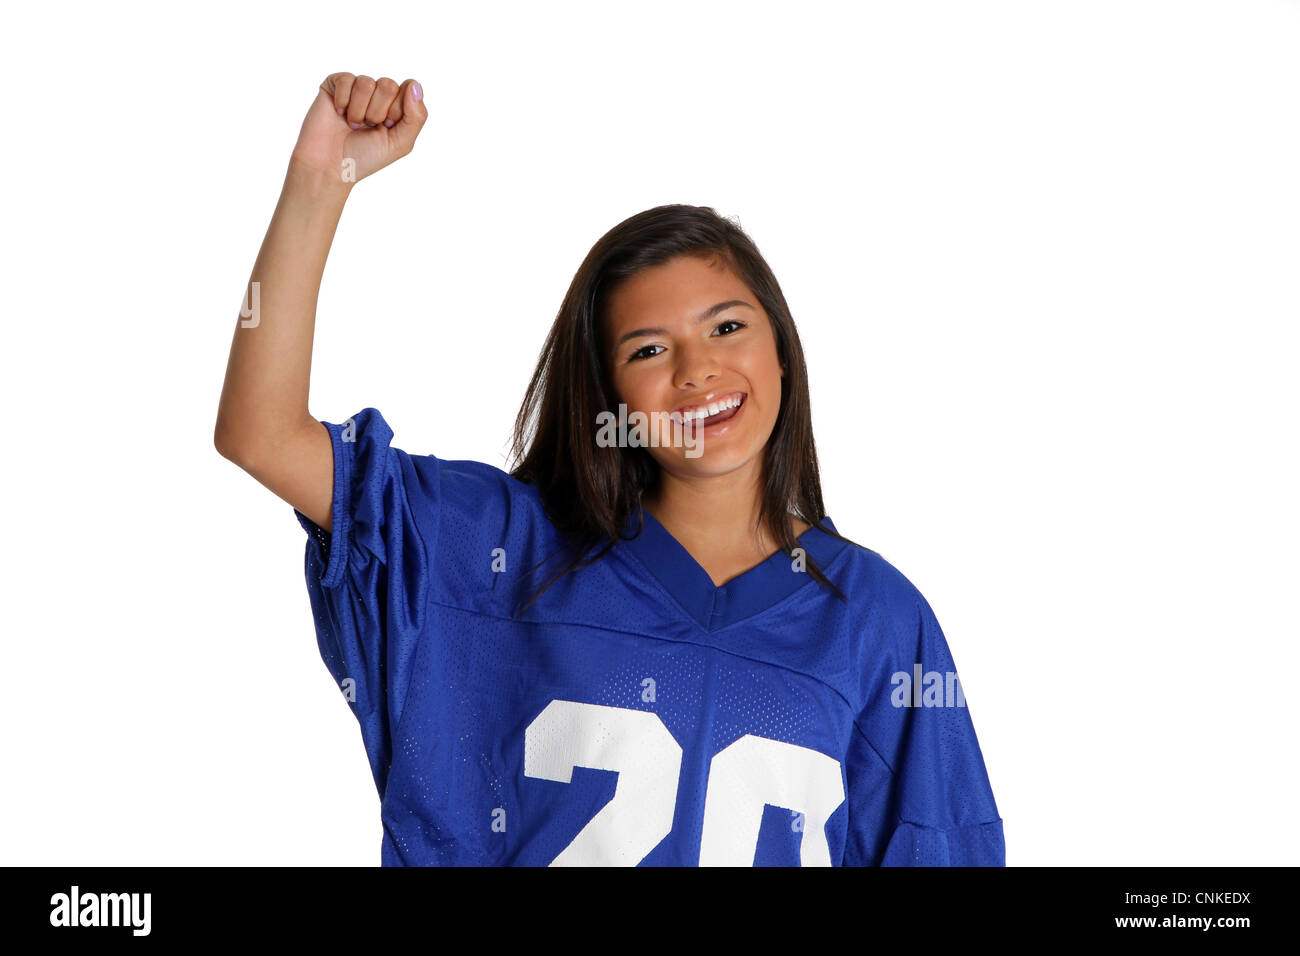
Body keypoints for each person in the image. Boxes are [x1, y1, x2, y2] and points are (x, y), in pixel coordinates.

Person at [215, 72, 1005, 866]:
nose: (697, 371)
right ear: (608, 391)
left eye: (727, 326)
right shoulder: (507, 552)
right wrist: (320, 182)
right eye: (649, 350)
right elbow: (261, 435)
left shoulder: (877, 622)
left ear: (783, 352)